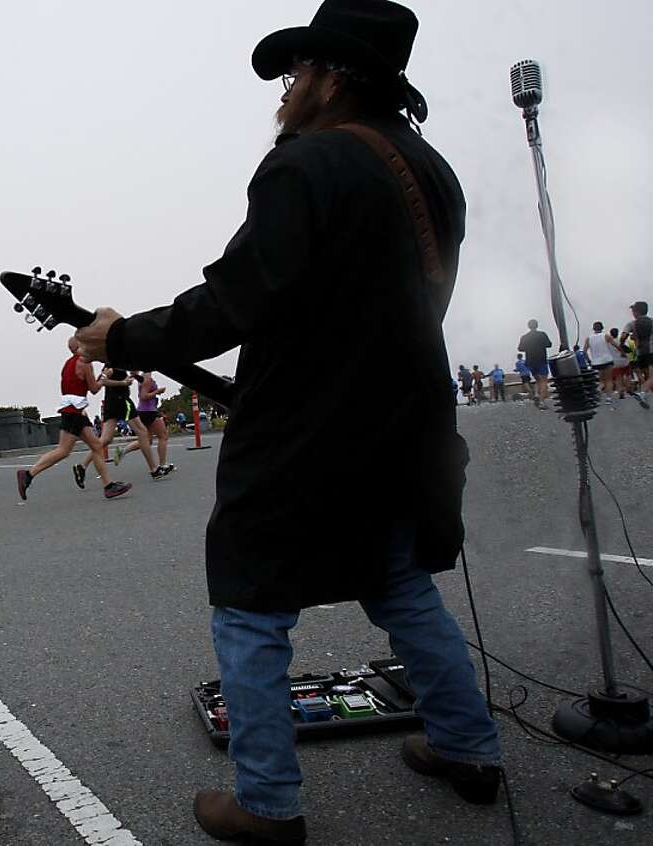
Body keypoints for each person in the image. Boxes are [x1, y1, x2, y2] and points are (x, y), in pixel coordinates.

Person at [73, 3, 499, 838]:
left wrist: (122, 334)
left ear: (332, 76)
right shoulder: (433, 171)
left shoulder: (306, 165)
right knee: (401, 587)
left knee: (250, 605)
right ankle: (469, 748)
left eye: (296, 72)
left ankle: (267, 804)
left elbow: (238, 299)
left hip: (306, 435)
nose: (286, 87)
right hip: (408, 428)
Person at [16, 337, 132, 501]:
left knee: (96, 446)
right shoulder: (85, 363)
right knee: (63, 451)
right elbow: (94, 389)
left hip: (73, 411)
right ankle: (28, 474)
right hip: (74, 413)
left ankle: (109, 486)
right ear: (80, 347)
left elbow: (68, 388)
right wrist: (104, 376)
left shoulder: (67, 364)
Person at [76, 367, 162, 486]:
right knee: (142, 432)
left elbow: (101, 379)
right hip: (121, 400)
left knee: (105, 439)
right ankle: (154, 469)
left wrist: (132, 376)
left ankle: (82, 466)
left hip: (110, 402)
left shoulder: (111, 366)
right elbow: (102, 380)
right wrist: (123, 383)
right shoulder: (112, 365)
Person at [121, 371, 175, 473]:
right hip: (149, 411)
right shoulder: (147, 378)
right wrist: (157, 391)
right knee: (163, 436)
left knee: (147, 441)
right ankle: (162, 465)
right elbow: (143, 396)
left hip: (144, 411)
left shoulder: (143, 377)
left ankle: (123, 451)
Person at [620, 301, 653, 407]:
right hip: (651, 352)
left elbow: (623, 336)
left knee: (647, 377)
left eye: (633, 311)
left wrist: (622, 344)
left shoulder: (632, 324)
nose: (632, 313)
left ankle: (645, 395)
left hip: (640, 354)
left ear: (637, 312)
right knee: (651, 377)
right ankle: (643, 394)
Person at [518, 318, 553, 407]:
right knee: (544, 380)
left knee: (537, 379)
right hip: (541, 359)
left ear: (528, 326)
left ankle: (537, 394)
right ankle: (541, 401)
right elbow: (549, 344)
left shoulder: (524, 337)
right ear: (537, 325)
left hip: (530, 361)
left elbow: (520, 348)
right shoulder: (542, 334)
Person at [584, 321, 616, 405]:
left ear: (593, 329)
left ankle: (598, 391)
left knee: (601, 381)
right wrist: (623, 353)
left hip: (596, 362)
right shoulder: (606, 336)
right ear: (602, 328)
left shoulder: (589, 338)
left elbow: (584, 351)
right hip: (607, 360)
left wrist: (589, 361)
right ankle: (609, 398)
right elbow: (616, 345)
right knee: (609, 380)